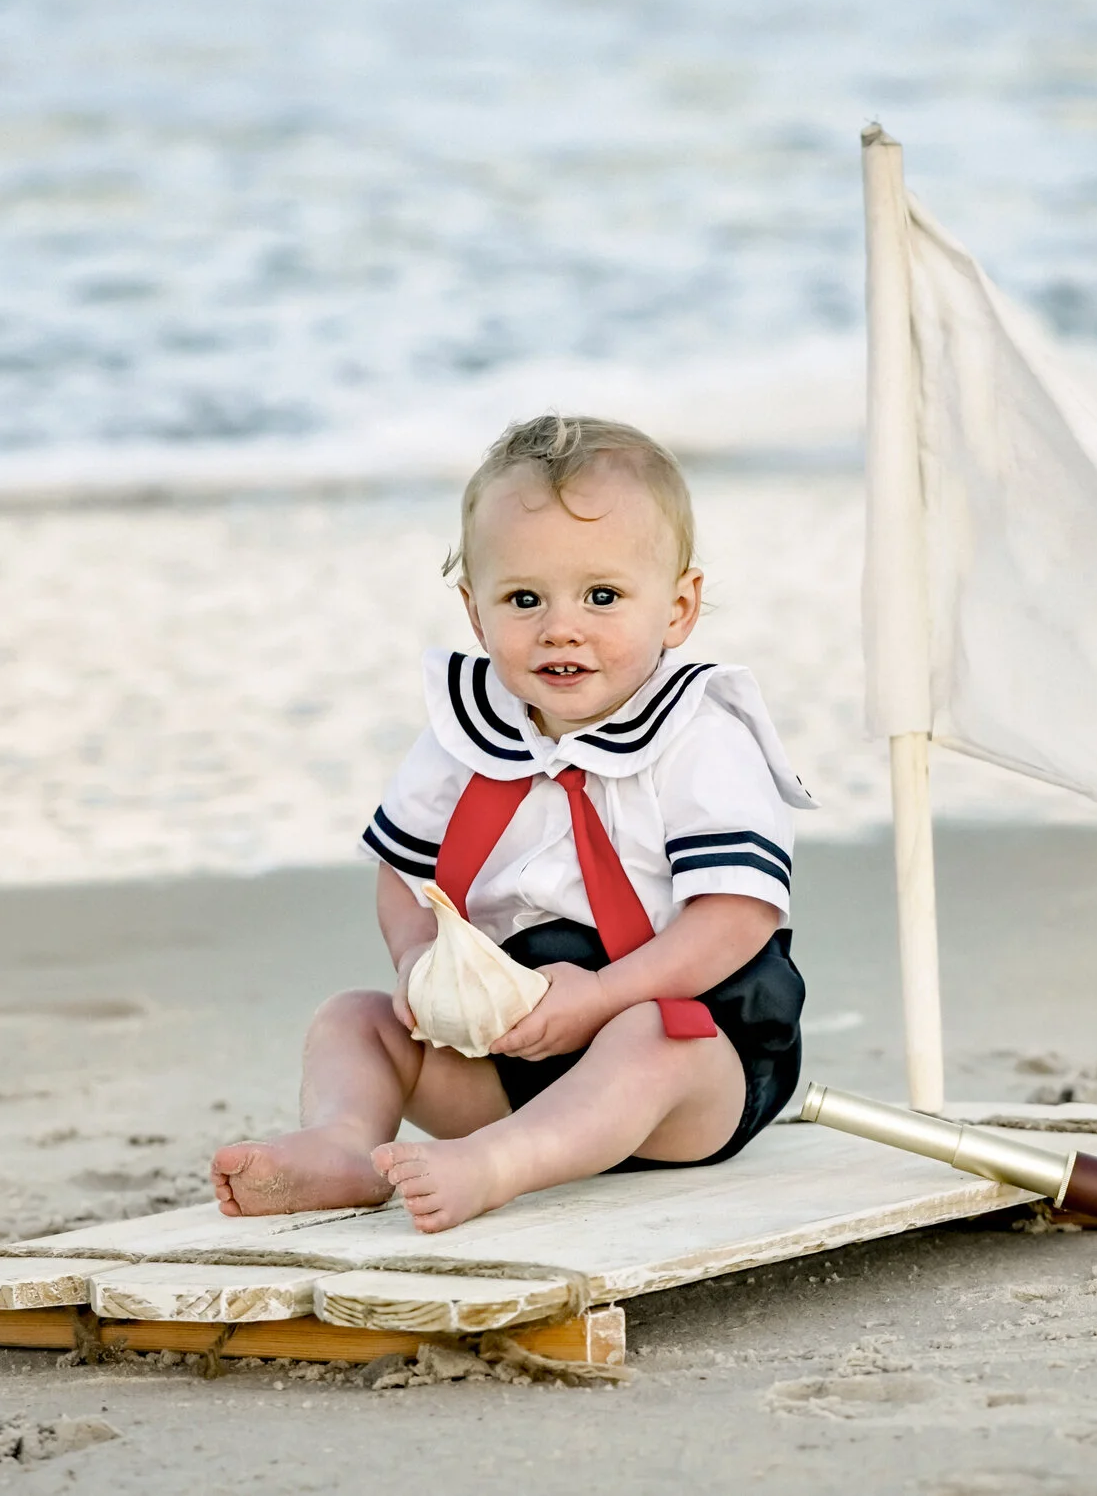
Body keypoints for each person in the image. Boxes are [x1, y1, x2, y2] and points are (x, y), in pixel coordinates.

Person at [209, 415, 813, 1233]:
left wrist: (603, 995)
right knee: (355, 1016)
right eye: (524, 598)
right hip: (512, 1053)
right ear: (474, 611)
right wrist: (419, 959)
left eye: (602, 596)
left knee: (650, 1037)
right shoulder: (466, 733)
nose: (560, 626)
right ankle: (345, 1144)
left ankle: (500, 1164)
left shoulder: (700, 736)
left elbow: (738, 915)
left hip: (695, 1057)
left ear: (678, 608)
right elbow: (404, 871)